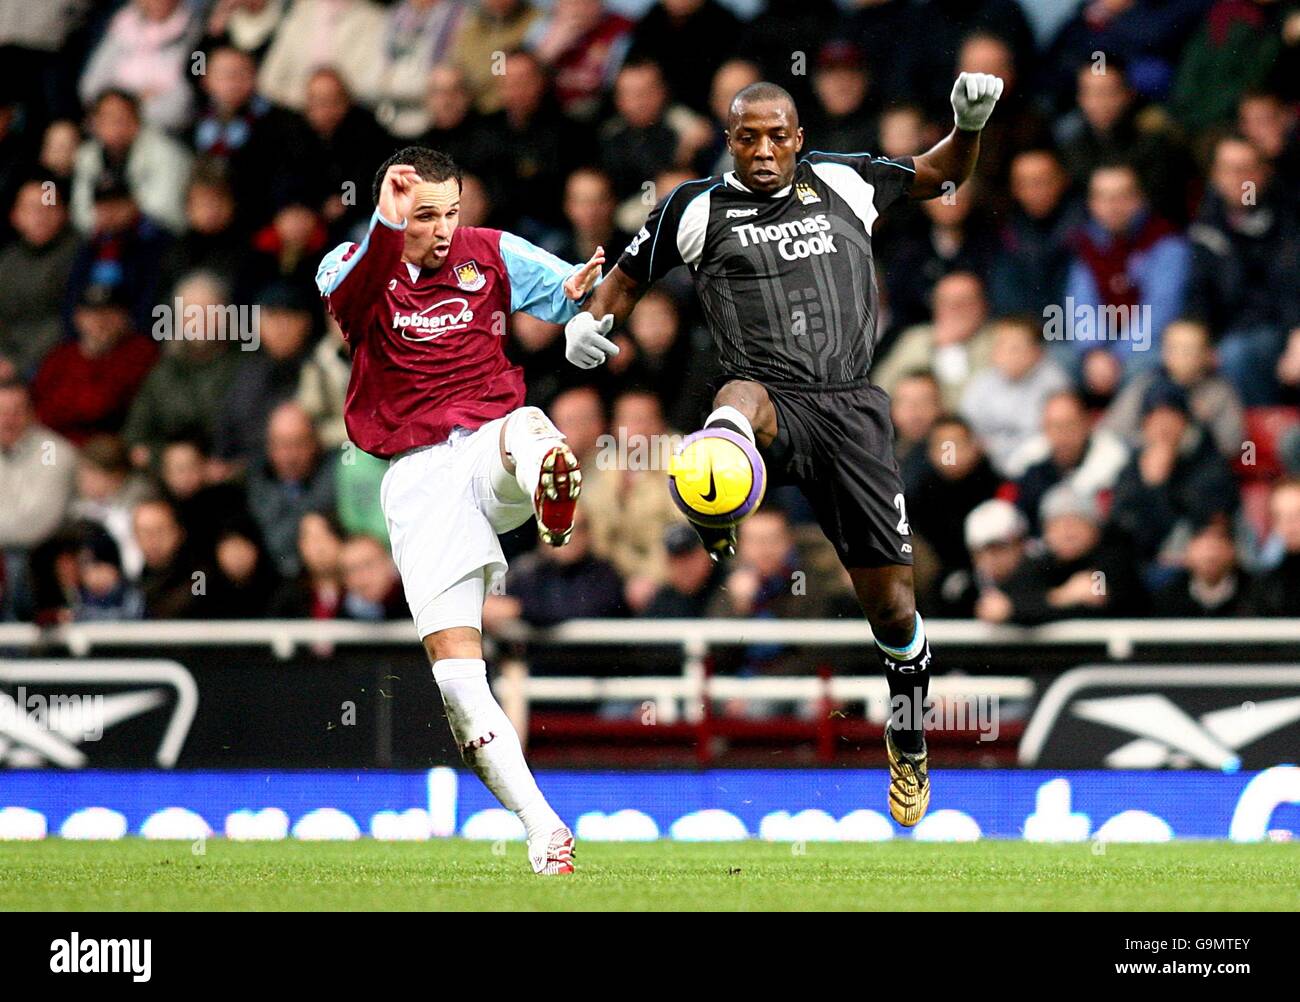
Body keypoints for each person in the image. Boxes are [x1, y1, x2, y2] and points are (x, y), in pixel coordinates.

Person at [569, 72, 1008, 826]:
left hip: (854, 415)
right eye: (748, 137)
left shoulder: (845, 179)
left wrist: (967, 124)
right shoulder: (693, 207)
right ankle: (717, 509)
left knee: (894, 610)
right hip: (769, 402)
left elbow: (942, 174)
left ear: (799, 139)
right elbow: (622, 283)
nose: (764, 150)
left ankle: (908, 735)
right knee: (731, 402)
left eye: (778, 136)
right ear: (729, 141)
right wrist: (590, 326)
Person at [315, 146, 604, 874]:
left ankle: (552, 495)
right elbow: (348, 312)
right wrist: (386, 221)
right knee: (456, 682)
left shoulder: (491, 253)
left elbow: (572, 291)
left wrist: (583, 311)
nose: (443, 230)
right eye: (425, 215)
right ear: (393, 211)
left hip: (487, 444)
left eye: (452, 211)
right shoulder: (351, 264)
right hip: (416, 479)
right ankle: (542, 828)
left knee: (528, 425)